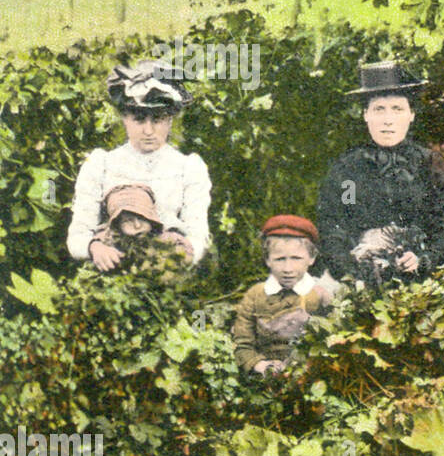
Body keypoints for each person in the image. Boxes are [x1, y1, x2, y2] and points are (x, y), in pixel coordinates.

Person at [316, 61, 444, 286]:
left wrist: (425, 259)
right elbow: (335, 228)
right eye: (379, 109)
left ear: (411, 114)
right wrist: (354, 271)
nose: (388, 119)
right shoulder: (349, 170)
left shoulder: (433, 166)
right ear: (365, 114)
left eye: (397, 109)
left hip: (428, 282)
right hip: (361, 280)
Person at [68, 61, 211, 271]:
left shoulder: (188, 167)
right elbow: (78, 234)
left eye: (158, 120)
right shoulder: (101, 164)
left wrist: (183, 253)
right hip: (111, 271)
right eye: (139, 120)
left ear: (170, 120)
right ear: (124, 118)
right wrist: (94, 248)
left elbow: (198, 234)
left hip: (171, 270)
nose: (148, 130)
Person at [232, 215, 333, 375]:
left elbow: (331, 342)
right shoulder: (255, 295)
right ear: (267, 259)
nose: (288, 268)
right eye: (279, 259)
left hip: (308, 375)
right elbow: (242, 342)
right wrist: (259, 365)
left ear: (312, 258)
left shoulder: (319, 295)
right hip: (263, 376)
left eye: (296, 258)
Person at [89, 184, 194, 263]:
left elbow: (186, 253)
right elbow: (99, 240)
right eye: (128, 221)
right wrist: (96, 247)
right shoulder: (110, 239)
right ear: (117, 225)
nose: (137, 226)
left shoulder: (168, 238)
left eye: (142, 218)